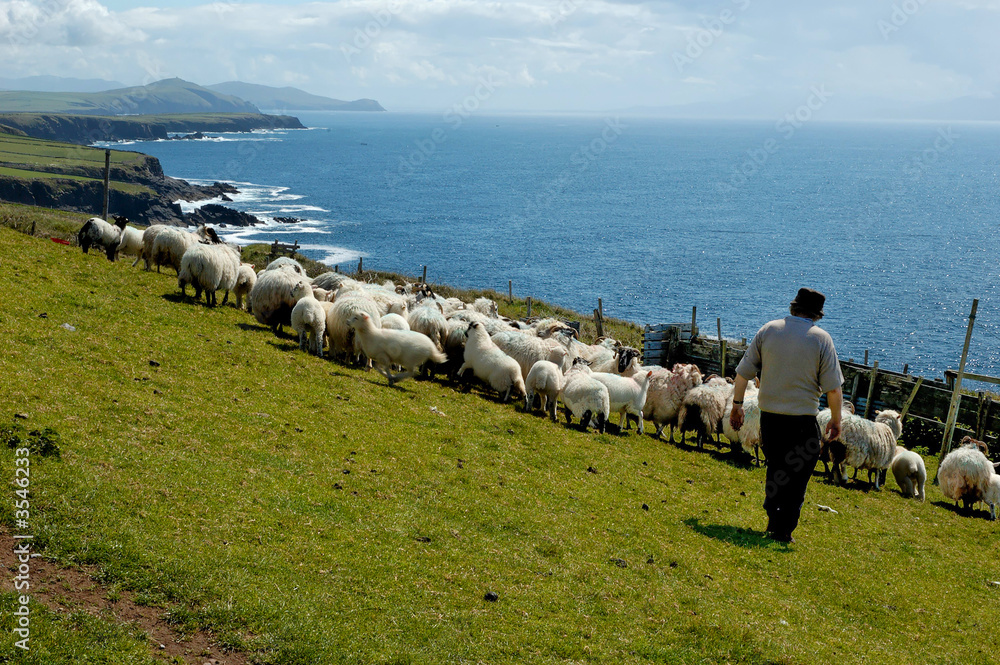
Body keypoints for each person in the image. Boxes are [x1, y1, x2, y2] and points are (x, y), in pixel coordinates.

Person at [729, 288, 843, 543]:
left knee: (776, 467)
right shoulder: (821, 339)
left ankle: (773, 519)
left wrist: (737, 405)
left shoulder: (768, 330)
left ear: (793, 307)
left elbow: (743, 373)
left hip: (770, 419)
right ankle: (784, 530)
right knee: (798, 475)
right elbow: (834, 389)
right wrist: (836, 421)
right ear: (818, 314)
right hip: (802, 421)